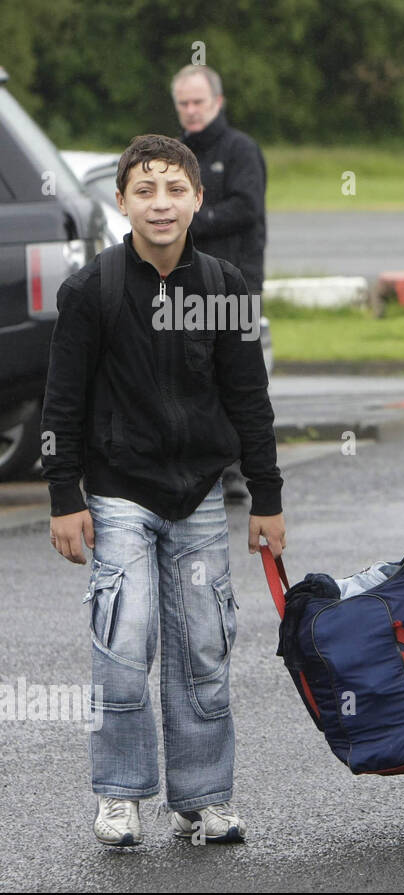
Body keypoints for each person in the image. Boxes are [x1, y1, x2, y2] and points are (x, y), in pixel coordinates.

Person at [42, 134, 286, 846]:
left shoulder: (225, 287)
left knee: (204, 647)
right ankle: (120, 796)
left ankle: (203, 798)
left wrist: (266, 498)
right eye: (144, 190)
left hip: (201, 495)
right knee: (125, 637)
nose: (161, 203)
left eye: (175, 189)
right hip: (118, 491)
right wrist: (65, 496)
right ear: (121, 202)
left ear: (198, 200)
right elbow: (61, 403)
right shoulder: (92, 290)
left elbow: (251, 400)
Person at [173, 64, 269, 502]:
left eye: (199, 102)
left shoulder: (240, 150)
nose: (191, 111)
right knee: (189, 372)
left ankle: (238, 471)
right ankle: (196, 461)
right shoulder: (175, 154)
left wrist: (190, 220)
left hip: (236, 284)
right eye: (184, 104)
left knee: (237, 378)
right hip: (183, 283)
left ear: (218, 103)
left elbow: (246, 208)